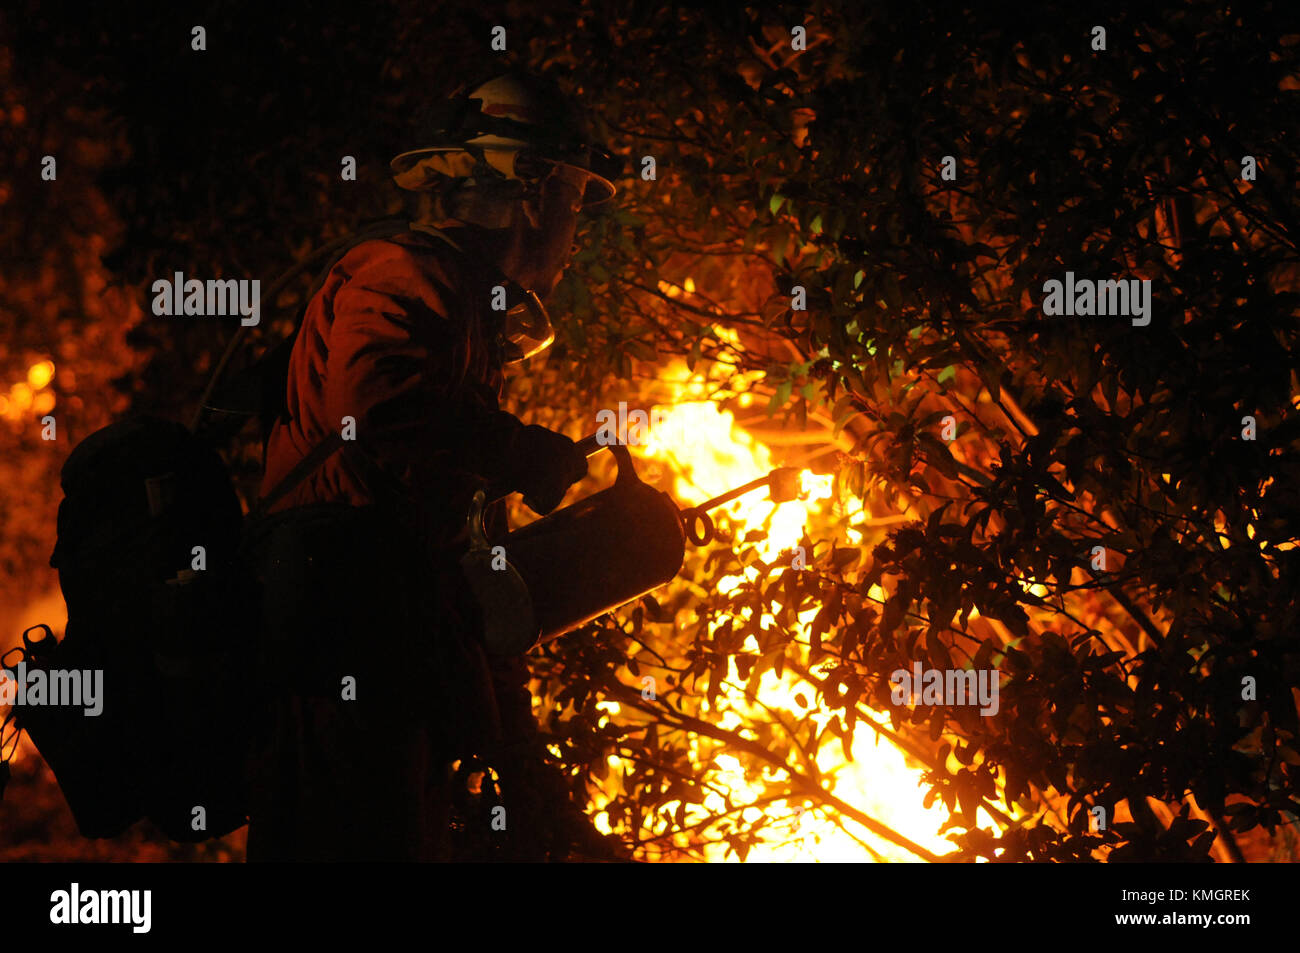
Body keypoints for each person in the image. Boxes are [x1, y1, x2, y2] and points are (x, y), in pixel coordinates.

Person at [244, 70, 621, 861]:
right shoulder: (404, 272)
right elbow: (376, 412)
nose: (577, 228)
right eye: (575, 200)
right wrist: (518, 450)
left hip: (382, 639)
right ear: (531, 187)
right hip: (339, 647)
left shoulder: (461, 294)